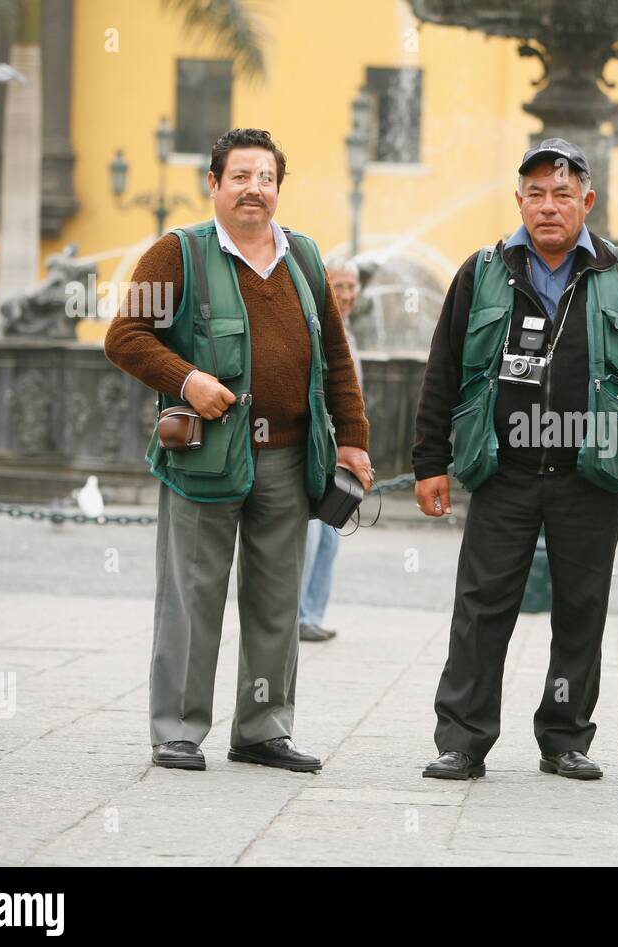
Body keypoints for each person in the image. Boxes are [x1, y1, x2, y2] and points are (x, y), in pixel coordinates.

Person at [412, 138, 618, 781]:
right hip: (503, 468)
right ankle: (462, 740)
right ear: (519, 200)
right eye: (536, 194)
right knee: (480, 609)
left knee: (581, 608)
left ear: (588, 202)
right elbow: (442, 370)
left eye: (563, 194)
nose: (549, 206)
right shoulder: (482, 270)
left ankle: (564, 736)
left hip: (591, 469)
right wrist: (428, 460)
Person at [105, 128, 371, 773]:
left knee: (278, 598)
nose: (255, 189)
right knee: (192, 596)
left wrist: (355, 440)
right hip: (205, 457)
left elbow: (335, 357)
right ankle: (177, 730)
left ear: (279, 187)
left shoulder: (304, 258)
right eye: (241, 177)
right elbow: (125, 336)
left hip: (286, 456)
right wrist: (187, 379)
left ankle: (261, 730)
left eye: (267, 178)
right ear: (215, 184)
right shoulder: (178, 254)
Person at [299, 256, 363, 642]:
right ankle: (293, 615)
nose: (346, 295)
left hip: (340, 447)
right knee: (308, 535)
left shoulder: (348, 332)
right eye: (338, 286)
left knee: (329, 535)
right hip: (319, 446)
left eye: (351, 287)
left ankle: (310, 613)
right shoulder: (316, 326)